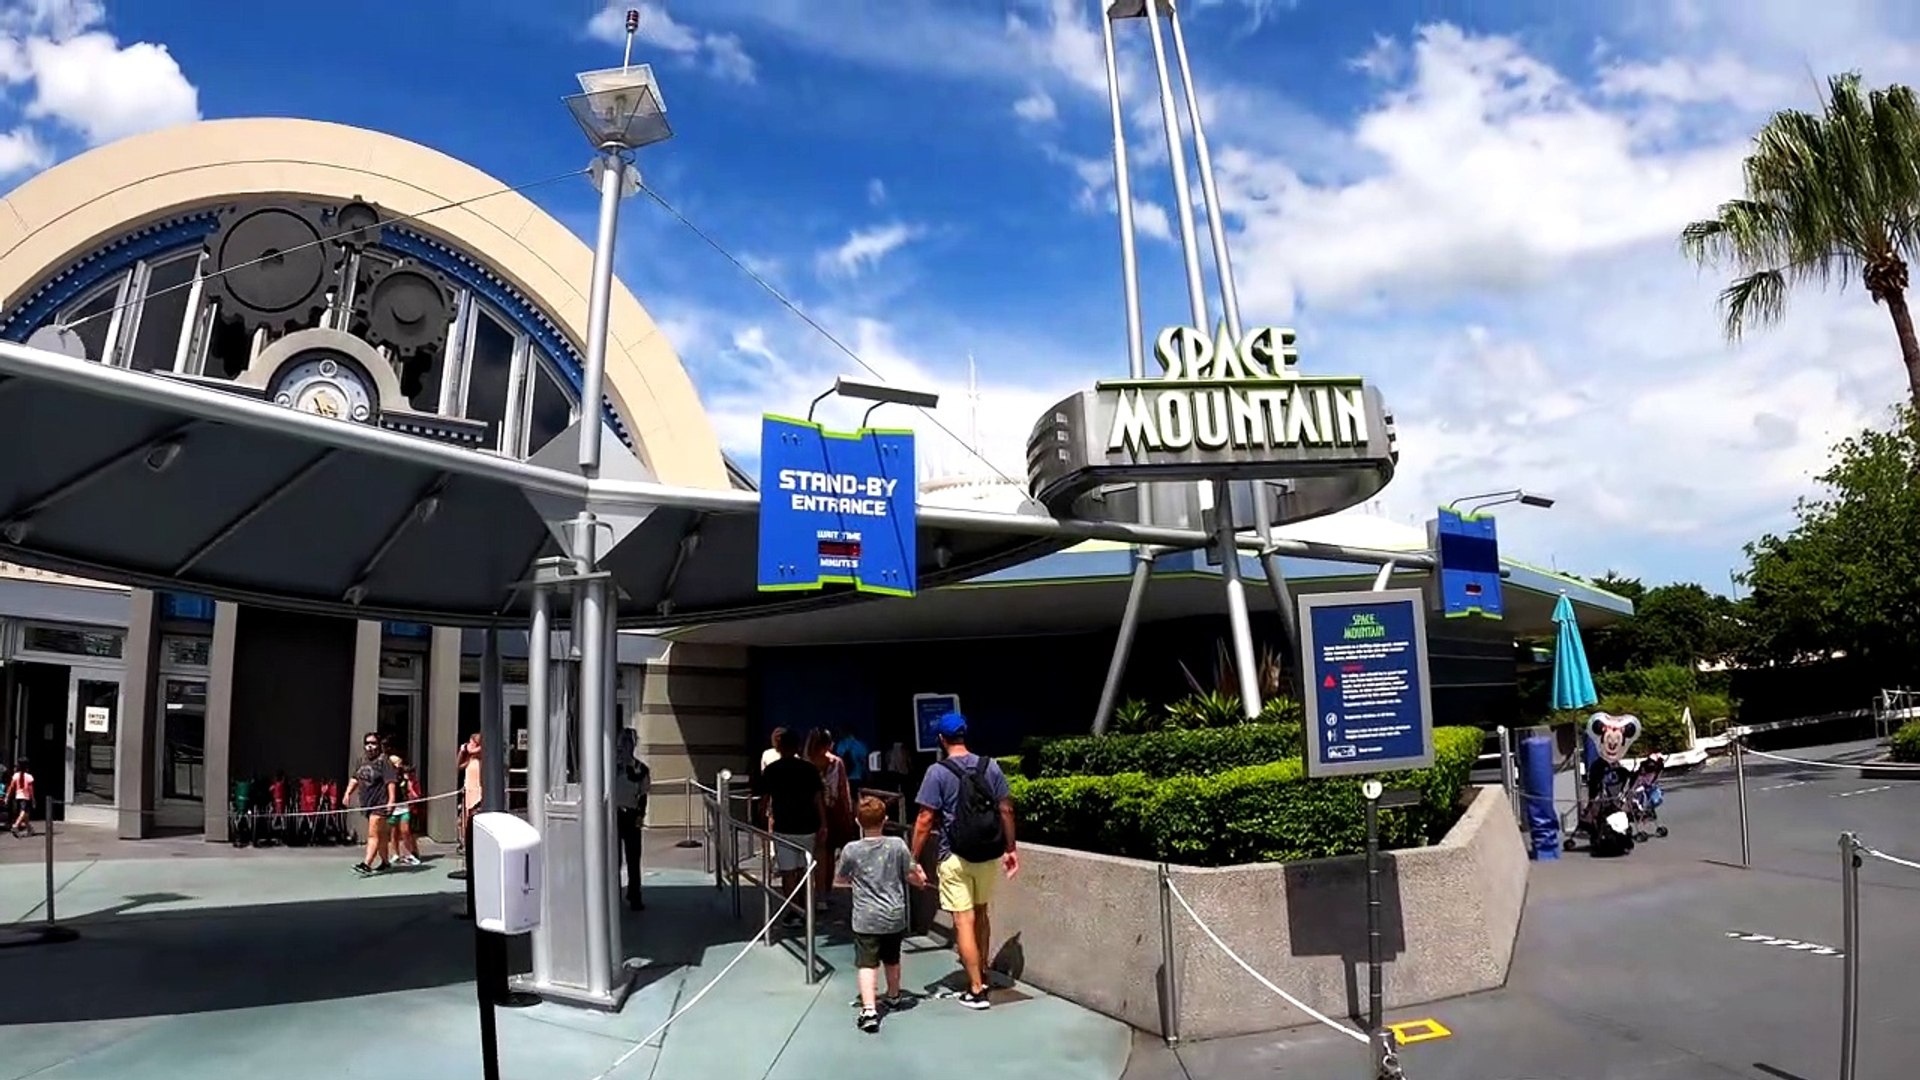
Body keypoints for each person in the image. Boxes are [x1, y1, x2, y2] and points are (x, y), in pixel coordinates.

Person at [912, 712, 1019, 1010]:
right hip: (987, 853)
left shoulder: (937, 772)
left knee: (963, 920)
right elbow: (1006, 809)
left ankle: (975, 989)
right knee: (982, 914)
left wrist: (913, 857)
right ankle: (982, 971)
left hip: (954, 855)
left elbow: (924, 819)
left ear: (942, 739)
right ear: (964, 735)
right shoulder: (990, 766)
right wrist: (1011, 848)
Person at [837, 794, 928, 1033]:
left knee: (867, 963)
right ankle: (894, 994)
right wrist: (919, 882)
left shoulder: (851, 850)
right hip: (894, 914)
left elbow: (841, 878)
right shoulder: (897, 845)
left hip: (866, 918)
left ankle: (869, 1009)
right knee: (892, 957)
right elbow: (910, 874)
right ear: (885, 819)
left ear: (858, 821)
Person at [753, 728, 825, 924]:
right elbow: (818, 798)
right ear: (797, 747)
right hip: (808, 824)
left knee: (788, 872)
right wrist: (823, 824)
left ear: (780, 747)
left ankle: (794, 910)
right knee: (804, 870)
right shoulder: (809, 769)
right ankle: (806, 907)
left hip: (783, 825)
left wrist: (761, 823)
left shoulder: (772, 770)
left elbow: (764, 800)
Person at [807, 727, 856, 910]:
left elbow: (844, 789)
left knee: (827, 852)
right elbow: (843, 790)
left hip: (830, 811)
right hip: (818, 811)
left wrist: (847, 811)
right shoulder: (811, 764)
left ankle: (824, 892)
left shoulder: (834, 763)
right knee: (821, 853)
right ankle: (820, 894)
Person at [343, 732, 398, 876]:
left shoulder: (383, 760)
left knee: (373, 834)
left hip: (380, 803)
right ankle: (385, 862)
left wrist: (391, 800)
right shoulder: (361, 760)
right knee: (381, 835)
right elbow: (355, 778)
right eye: (367, 743)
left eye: (373, 743)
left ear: (379, 745)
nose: (370, 746)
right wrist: (348, 793)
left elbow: (390, 781)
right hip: (367, 803)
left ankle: (366, 864)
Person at [614, 727, 652, 911]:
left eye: (628, 743)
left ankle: (634, 895)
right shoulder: (611, 767)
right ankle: (613, 894)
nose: (625, 747)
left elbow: (643, 795)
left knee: (633, 858)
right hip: (613, 816)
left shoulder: (640, 769)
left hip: (630, 814)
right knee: (613, 859)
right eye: (622, 743)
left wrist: (640, 815)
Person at [387, 749, 423, 867]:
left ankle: (408, 854)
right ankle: (395, 854)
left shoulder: (404, 776)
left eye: (400, 763)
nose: (399, 765)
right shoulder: (387, 777)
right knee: (393, 833)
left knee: (405, 831)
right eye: (397, 763)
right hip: (393, 808)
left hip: (403, 807)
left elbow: (410, 791)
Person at [6, 759, 34, 838]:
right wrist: (33, 799)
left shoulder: (15, 775)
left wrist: (7, 796)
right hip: (26, 797)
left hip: (18, 796)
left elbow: (11, 787)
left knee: (26, 814)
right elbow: (31, 789)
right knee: (23, 811)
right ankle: (16, 825)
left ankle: (29, 828)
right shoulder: (29, 777)